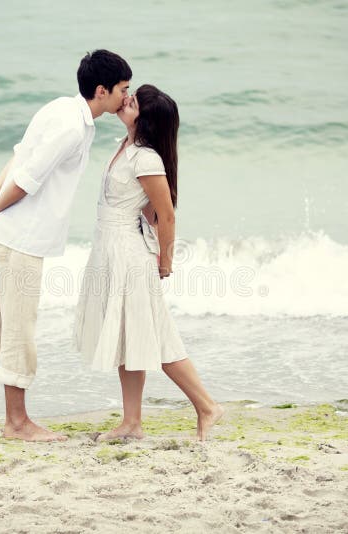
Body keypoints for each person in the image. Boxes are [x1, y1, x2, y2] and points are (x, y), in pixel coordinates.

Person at [0, 50, 132, 442]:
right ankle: (17, 422)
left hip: (8, 235)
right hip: (21, 239)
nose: (126, 97)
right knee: (19, 330)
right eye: (123, 89)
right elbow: (26, 177)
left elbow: (17, 159)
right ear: (102, 90)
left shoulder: (62, 110)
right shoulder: (71, 129)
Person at [74, 84, 224, 441]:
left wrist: (165, 261)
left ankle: (207, 407)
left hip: (131, 257)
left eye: (133, 101)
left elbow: (167, 216)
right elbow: (143, 208)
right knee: (131, 339)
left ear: (146, 119)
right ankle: (132, 423)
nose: (126, 101)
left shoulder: (146, 158)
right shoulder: (127, 148)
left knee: (156, 338)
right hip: (113, 251)